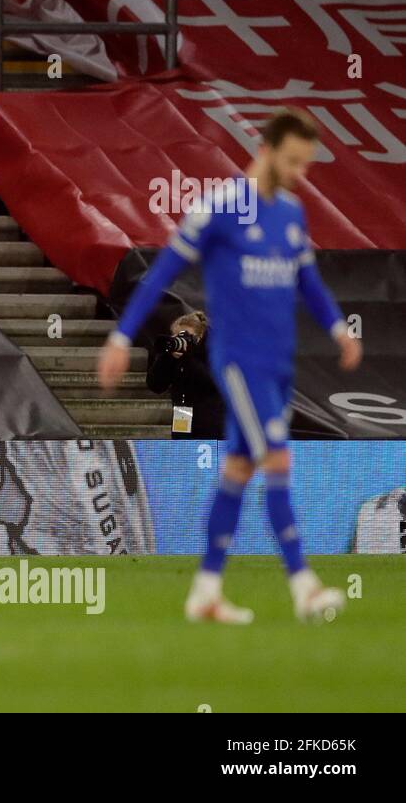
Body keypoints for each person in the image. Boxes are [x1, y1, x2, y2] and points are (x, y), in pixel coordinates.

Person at [98, 108, 362, 623]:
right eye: (292, 162)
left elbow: (307, 281)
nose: (298, 174)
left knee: (239, 471)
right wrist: (121, 335)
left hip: (276, 359)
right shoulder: (218, 210)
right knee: (277, 462)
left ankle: (206, 591)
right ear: (264, 152)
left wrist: (336, 328)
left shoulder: (290, 214)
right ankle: (305, 587)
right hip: (238, 359)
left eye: (306, 165)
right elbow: (159, 276)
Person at [145, 311, 225, 440]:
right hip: (182, 414)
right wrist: (166, 358)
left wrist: (189, 356)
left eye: (187, 336)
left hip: (211, 418)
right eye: (177, 336)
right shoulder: (173, 357)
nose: (182, 340)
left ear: (200, 336)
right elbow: (155, 385)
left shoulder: (213, 352)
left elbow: (213, 382)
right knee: (184, 455)